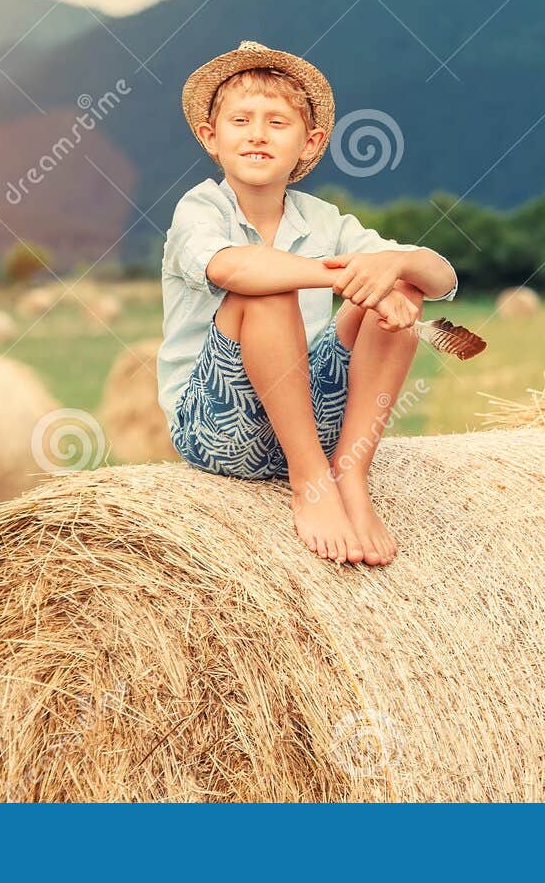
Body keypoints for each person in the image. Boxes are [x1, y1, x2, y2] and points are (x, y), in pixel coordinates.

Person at [157, 40, 459, 566]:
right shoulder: (199, 209)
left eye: (277, 122)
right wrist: (347, 278)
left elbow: (442, 277)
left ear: (310, 142)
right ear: (211, 137)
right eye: (240, 121)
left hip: (316, 414)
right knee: (268, 291)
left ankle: (351, 475)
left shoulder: (325, 220)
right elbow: (233, 267)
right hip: (220, 425)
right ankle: (310, 479)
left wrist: (396, 268)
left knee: (401, 288)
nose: (257, 134)